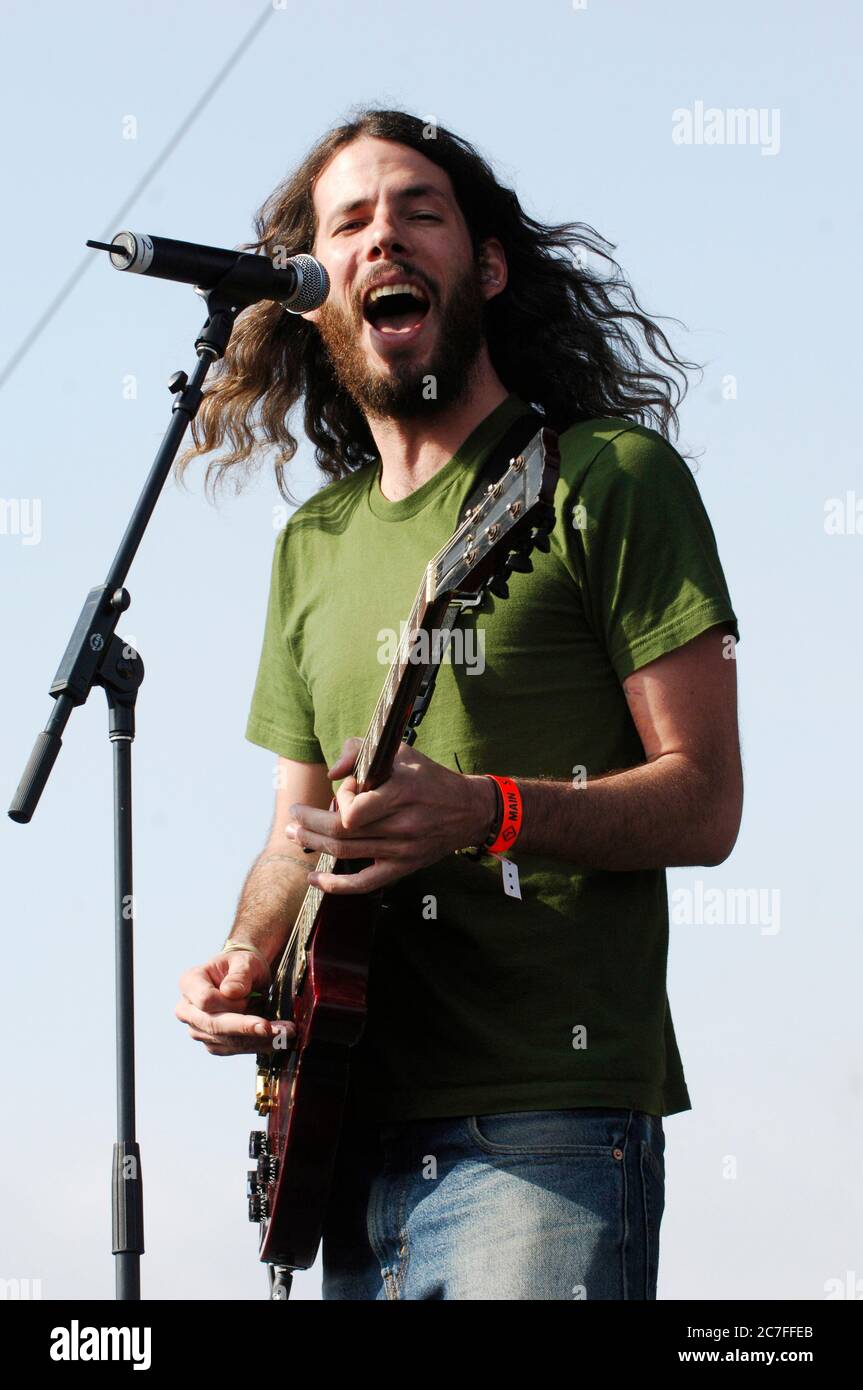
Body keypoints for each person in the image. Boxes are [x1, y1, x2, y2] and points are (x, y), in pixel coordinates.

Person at [175, 107, 743, 1301]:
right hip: (345, 1136)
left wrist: (479, 810)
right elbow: (299, 831)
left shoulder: (606, 476)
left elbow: (703, 803)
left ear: (483, 265)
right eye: (348, 223)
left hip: (540, 1128)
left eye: (417, 212)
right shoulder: (312, 543)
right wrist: (244, 959)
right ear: (309, 291)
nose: (382, 238)